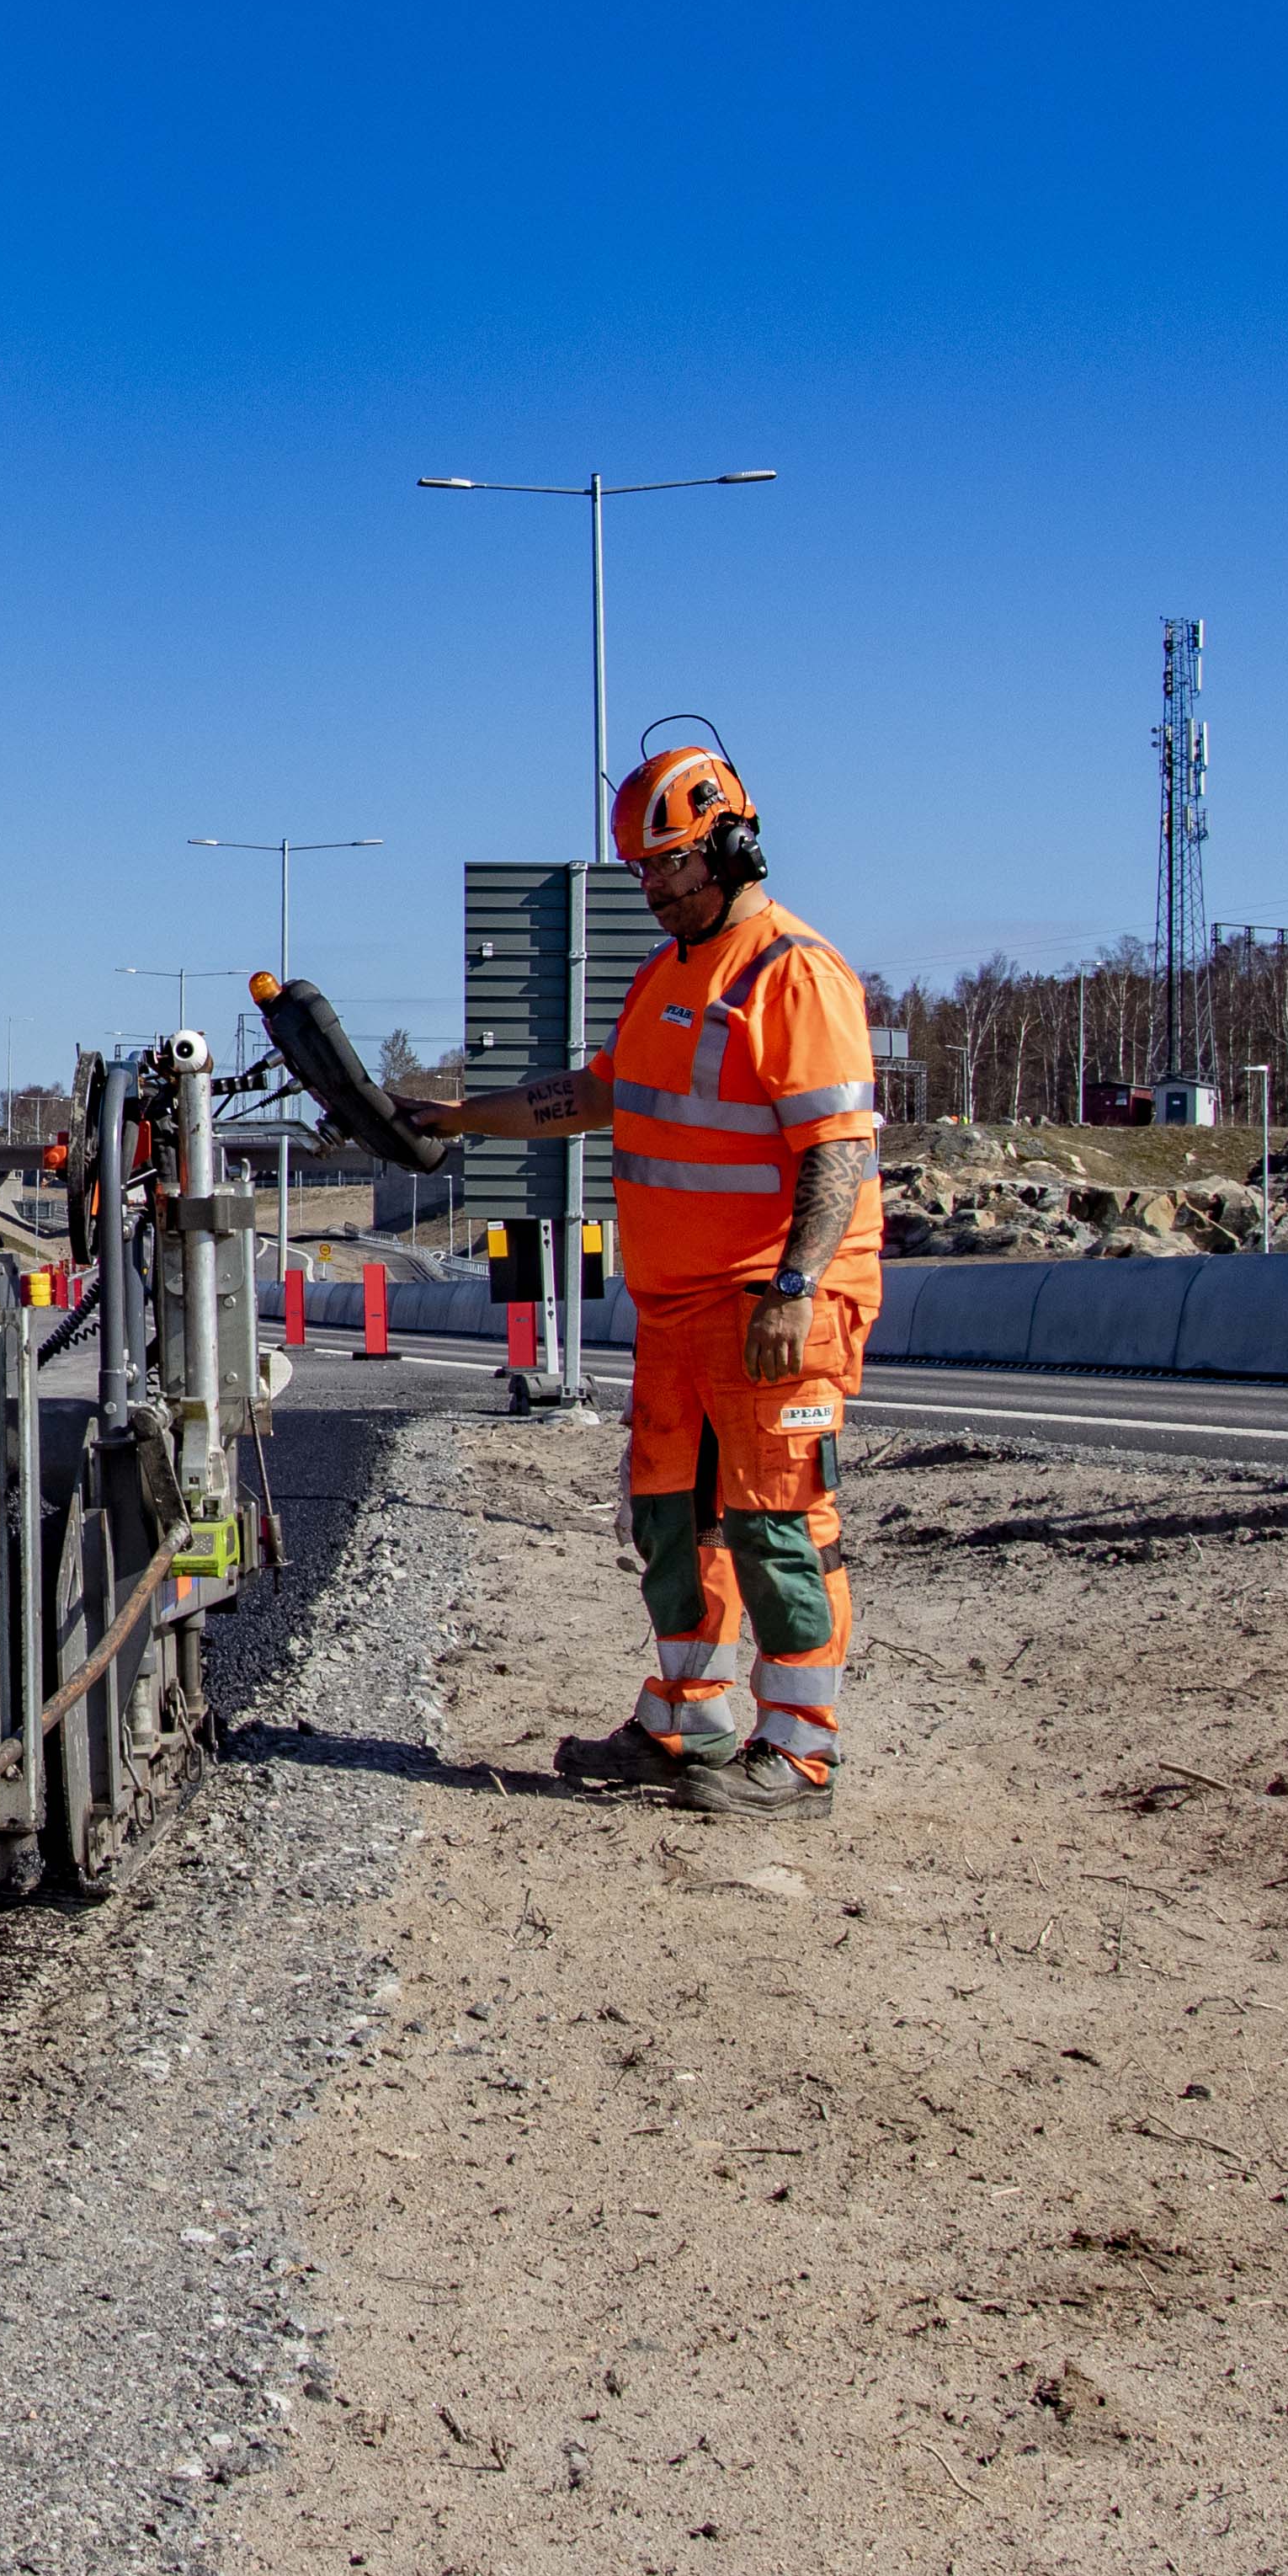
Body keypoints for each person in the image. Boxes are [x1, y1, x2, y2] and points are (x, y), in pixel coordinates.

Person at [398, 740, 881, 1819]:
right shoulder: (667, 974)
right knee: (673, 1517)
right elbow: (592, 1096)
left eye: (669, 865)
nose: (653, 886)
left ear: (732, 845)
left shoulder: (793, 972)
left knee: (779, 1522)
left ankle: (800, 1754)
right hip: (677, 1307)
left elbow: (837, 1150)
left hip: (771, 1304)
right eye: (641, 871)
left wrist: (795, 1287)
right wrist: (463, 1116)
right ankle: (686, 1722)